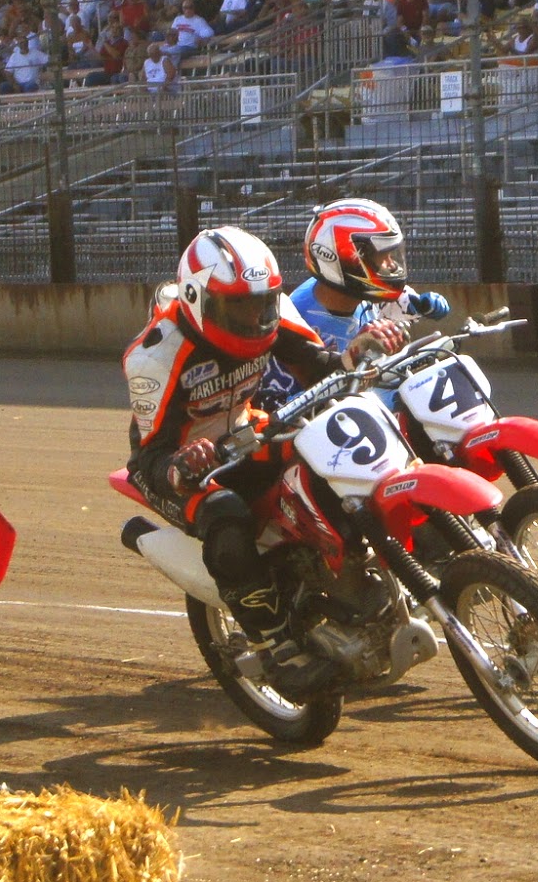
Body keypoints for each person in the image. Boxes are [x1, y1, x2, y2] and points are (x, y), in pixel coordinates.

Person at [123, 227, 406, 700]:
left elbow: (320, 366)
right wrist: (180, 465)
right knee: (225, 514)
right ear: (197, 300)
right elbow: (151, 454)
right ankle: (275, 646)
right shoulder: (155, 356)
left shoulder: (275, 311)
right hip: (178, 464)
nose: (255, 318)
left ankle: (352, 567)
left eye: (262, 303)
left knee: (327, 453)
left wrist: (355, 353)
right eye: (238, 308)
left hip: (246, 431)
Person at [255, 198, 450, 408]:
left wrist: (421, 305)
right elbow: (283, 407)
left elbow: (398, 301)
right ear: (348, 260)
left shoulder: (356, 293)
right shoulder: (296, 321)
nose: (392, 265)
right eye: (383, 257)